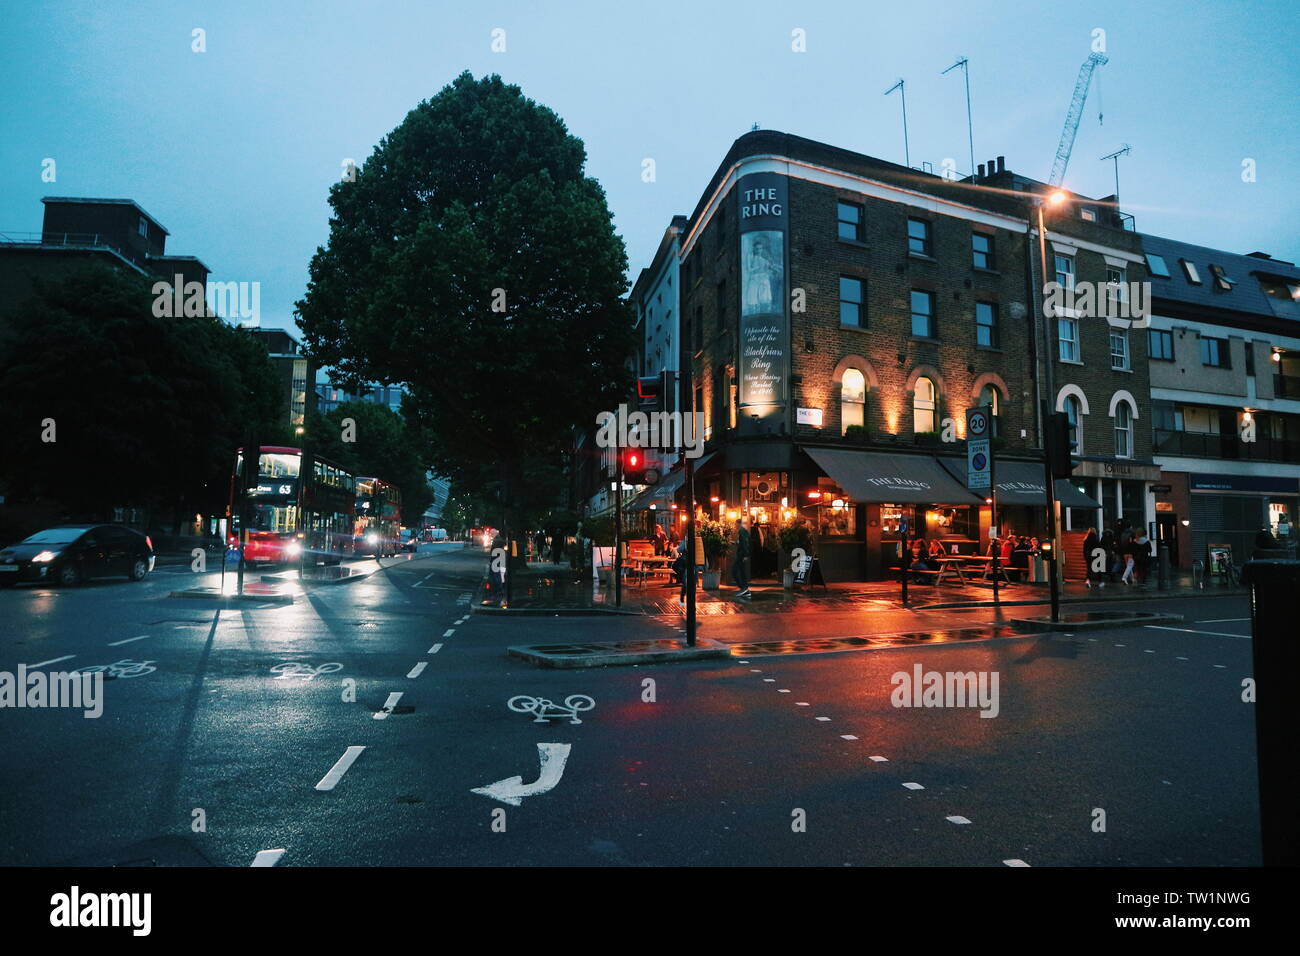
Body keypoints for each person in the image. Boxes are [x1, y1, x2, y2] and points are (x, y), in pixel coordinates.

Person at [731, 516, 752, 600]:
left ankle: (744, 588)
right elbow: (743, 542)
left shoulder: (742, 531)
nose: (735, 526)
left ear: (739, 524)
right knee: (740, 571)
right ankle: (744, 588)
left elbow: (745, 543)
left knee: (735, 571)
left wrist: (746, 555)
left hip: (741, 555)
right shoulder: (742, 531)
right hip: (742, 554)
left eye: (735, 524)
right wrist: (735, 542)